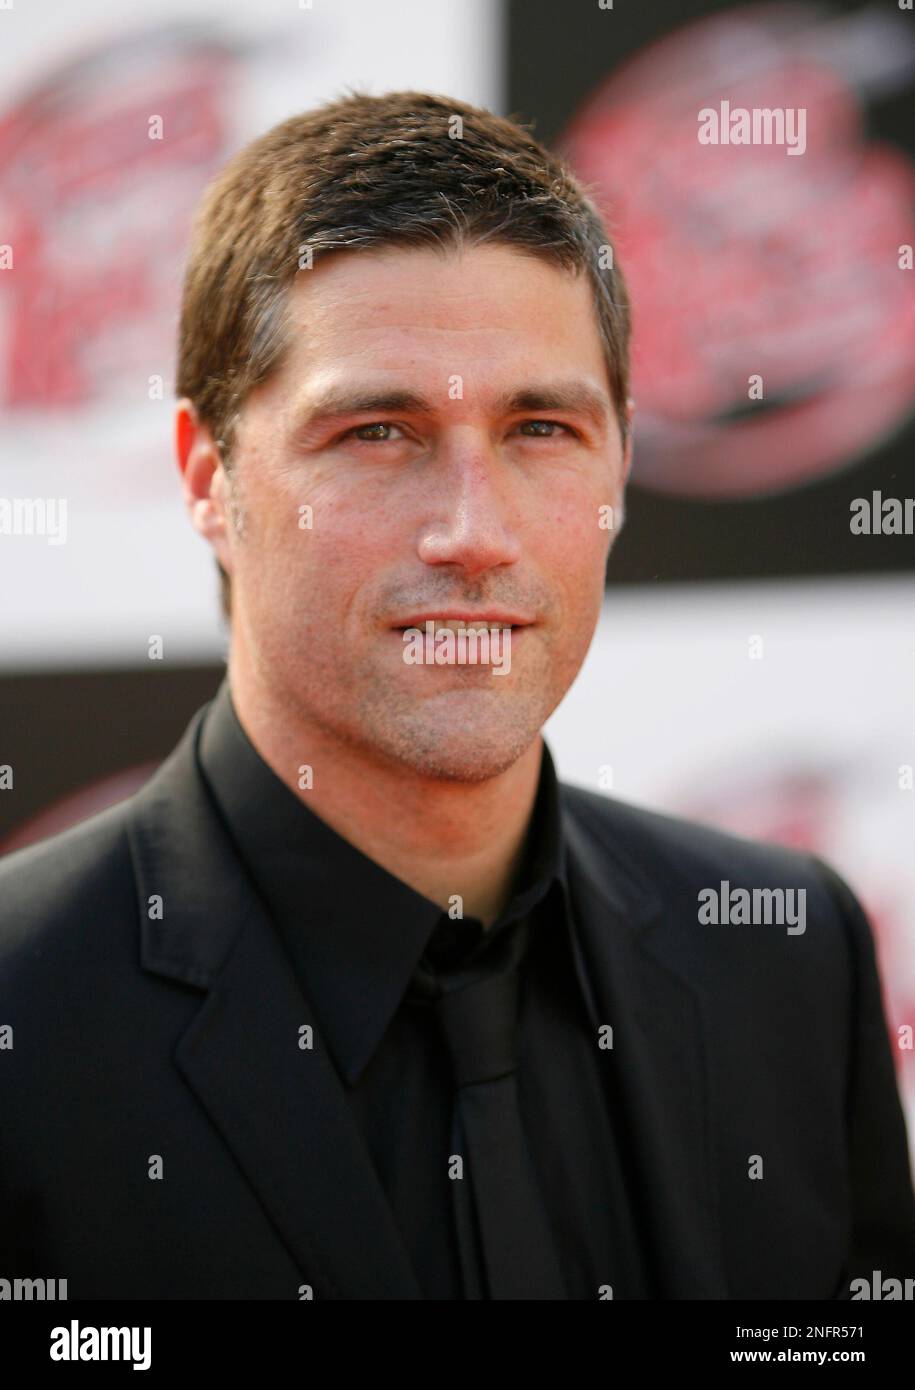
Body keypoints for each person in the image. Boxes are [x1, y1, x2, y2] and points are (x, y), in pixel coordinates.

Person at [1, 89, 913, 1301]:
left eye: (541, 427)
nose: (473, 533)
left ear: (621, 470)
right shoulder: (23, 1009)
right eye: (378, 431)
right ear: (210, 479)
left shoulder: (782, 954)